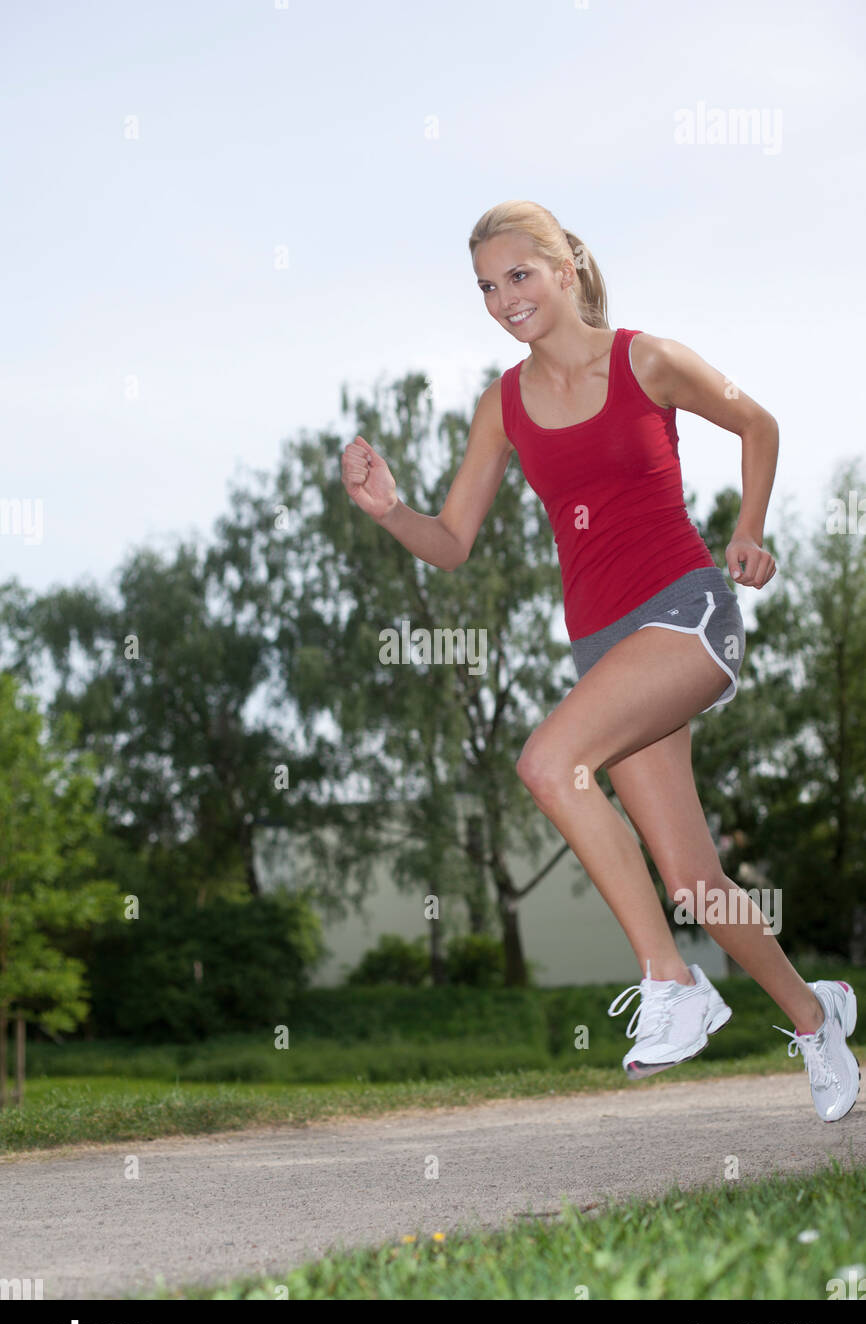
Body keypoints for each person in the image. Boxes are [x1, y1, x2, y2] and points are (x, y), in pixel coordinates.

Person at [340, 198, 859, 1123]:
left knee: (547, 762)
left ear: (566, 268)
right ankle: (817, 1020)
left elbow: (758, 423)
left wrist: (747, 531)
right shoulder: (503, 407)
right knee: (696, 881)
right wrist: (388, 511)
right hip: (605, 648)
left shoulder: (643, 359)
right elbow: (454, 542)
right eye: (487, 288)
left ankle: (673, 982)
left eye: (519, 276)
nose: (504, 300)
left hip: (688, 614)